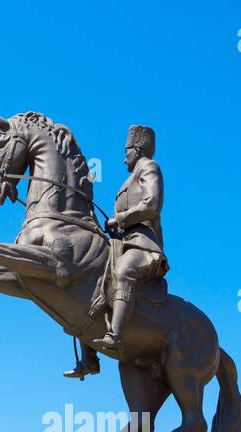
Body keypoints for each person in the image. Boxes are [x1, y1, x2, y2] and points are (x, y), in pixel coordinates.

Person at [66, 124, 168, 375]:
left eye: (126, 152)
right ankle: (90, 359)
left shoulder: (149, 167)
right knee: (89, 280)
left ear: (136, 149)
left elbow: (152, 205)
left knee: (123, 271)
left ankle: (116, 335)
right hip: (123, 243)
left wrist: (120, 219)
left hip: (144, 245)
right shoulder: (129, 179)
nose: (124, 159)